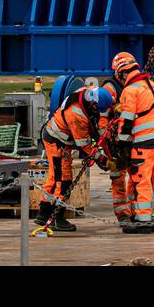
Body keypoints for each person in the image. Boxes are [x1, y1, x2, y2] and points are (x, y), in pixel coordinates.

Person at [36, 85, 114, 232]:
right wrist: (102, 160)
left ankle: (43, 213)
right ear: (93, 104)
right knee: (62, 180)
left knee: (56, 178)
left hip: (61, 141)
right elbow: (84, 145)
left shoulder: (89, 92)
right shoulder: (76, 114)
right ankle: (56, 217)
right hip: (56, 141)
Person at [112, 52, 154, 233]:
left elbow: (127, 120)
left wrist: (121, 143)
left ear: (122, 74)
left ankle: (142, 220)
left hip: (145, 143)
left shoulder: (130, 91)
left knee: (141, 180)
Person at [100, 73, 133, 223]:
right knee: (118, 178)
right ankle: (122, 214)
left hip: (131, 138)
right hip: (115, 141)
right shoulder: (110, 88)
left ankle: (135, 210)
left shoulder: (133, 86)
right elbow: (102, 117)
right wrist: (106, 143)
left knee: (137, 176)